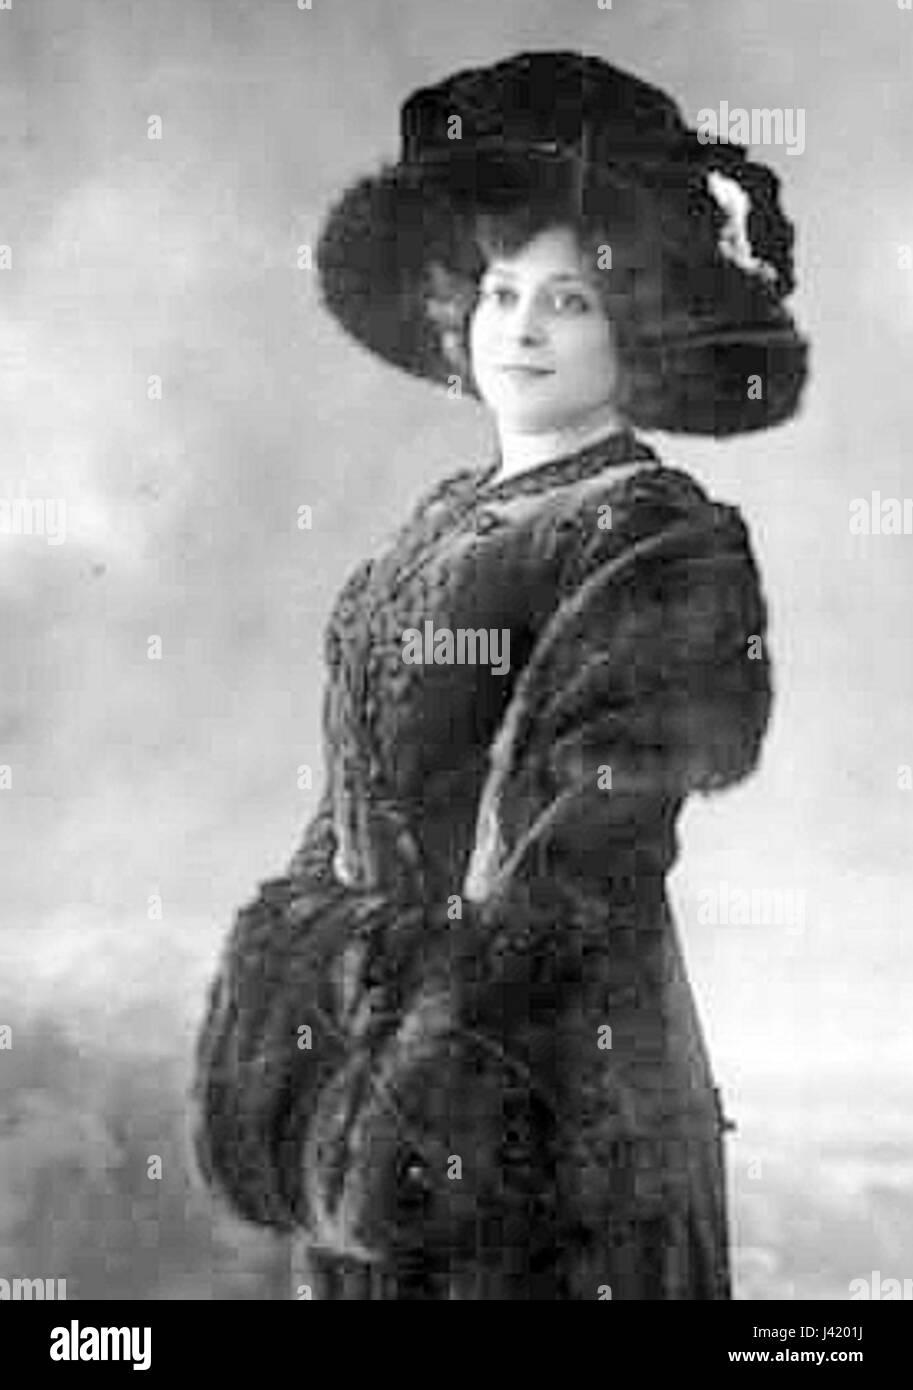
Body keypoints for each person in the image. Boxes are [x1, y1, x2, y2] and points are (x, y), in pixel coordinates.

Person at [192, 50, 808, 1300]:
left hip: (546, 1098)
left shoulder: (654, 536)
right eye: (499, 294)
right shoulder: (434, 524)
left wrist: (414, 1092)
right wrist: (298, 1027)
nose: (519, 329)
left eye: (568, 301)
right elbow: (348, 811)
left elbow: (570, 857)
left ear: (632, 325)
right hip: (383, 1084)